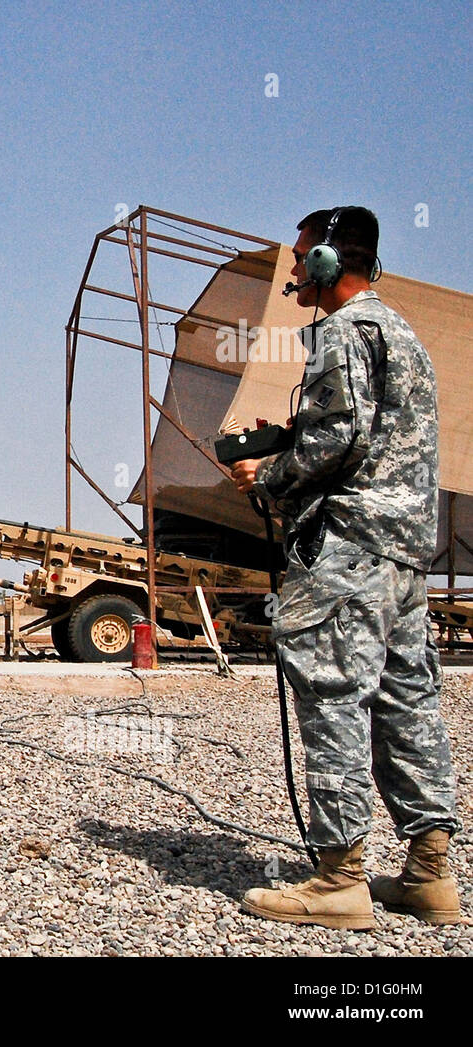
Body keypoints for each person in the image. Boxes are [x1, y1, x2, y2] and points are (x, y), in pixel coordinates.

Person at [229, 206, 462, 929]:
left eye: (302, 258)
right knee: (405, 698)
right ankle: (430, 874)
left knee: (332, 694)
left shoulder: (341, 332)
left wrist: (264, 474)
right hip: (403, 552)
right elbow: (370, 428)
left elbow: (336, 439)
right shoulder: (403, 334)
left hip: (351, 548)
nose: (296, 270)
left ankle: (339, 880)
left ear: (330, 263)